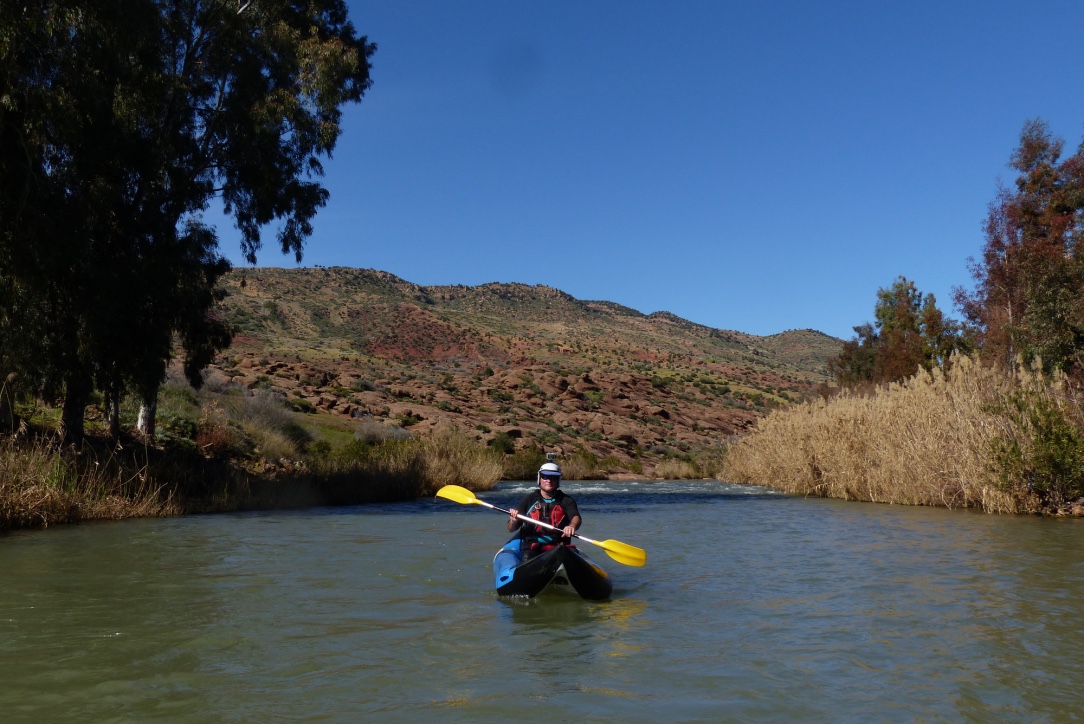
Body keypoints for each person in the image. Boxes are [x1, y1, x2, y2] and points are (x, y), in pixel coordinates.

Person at [507, 461, 581, 558]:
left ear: (558, 480)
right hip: (533, 546)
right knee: (528, 556)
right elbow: (511, 528)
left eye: (553, 478)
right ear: (539, 478)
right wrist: (513, 520)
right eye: (545, 477)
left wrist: (572, 526)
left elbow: (576, 517)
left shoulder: (567, 501)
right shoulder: (529, 499)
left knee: (571, 556)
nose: (549, 480)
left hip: (559, 546)